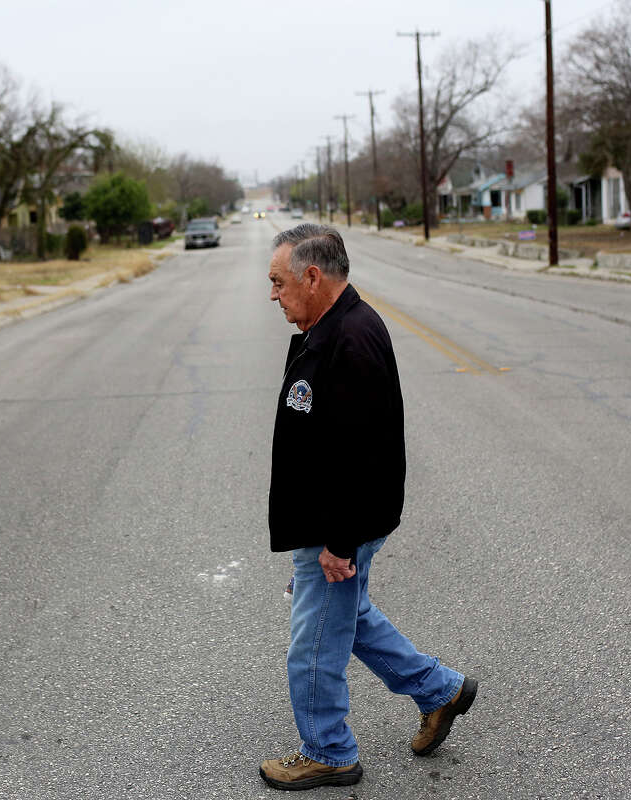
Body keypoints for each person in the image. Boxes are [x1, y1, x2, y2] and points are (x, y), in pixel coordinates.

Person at [259, 223, 477, 791]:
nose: (274, 295)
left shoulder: (351, 338)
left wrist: (338, 543)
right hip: (331, 520)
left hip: (338, 523)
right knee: (347, 619)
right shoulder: (326, 327)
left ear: (312, 276)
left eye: (279, 283)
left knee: (313, 644)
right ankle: (441, 691)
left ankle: (329, 751)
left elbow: (365, 455)